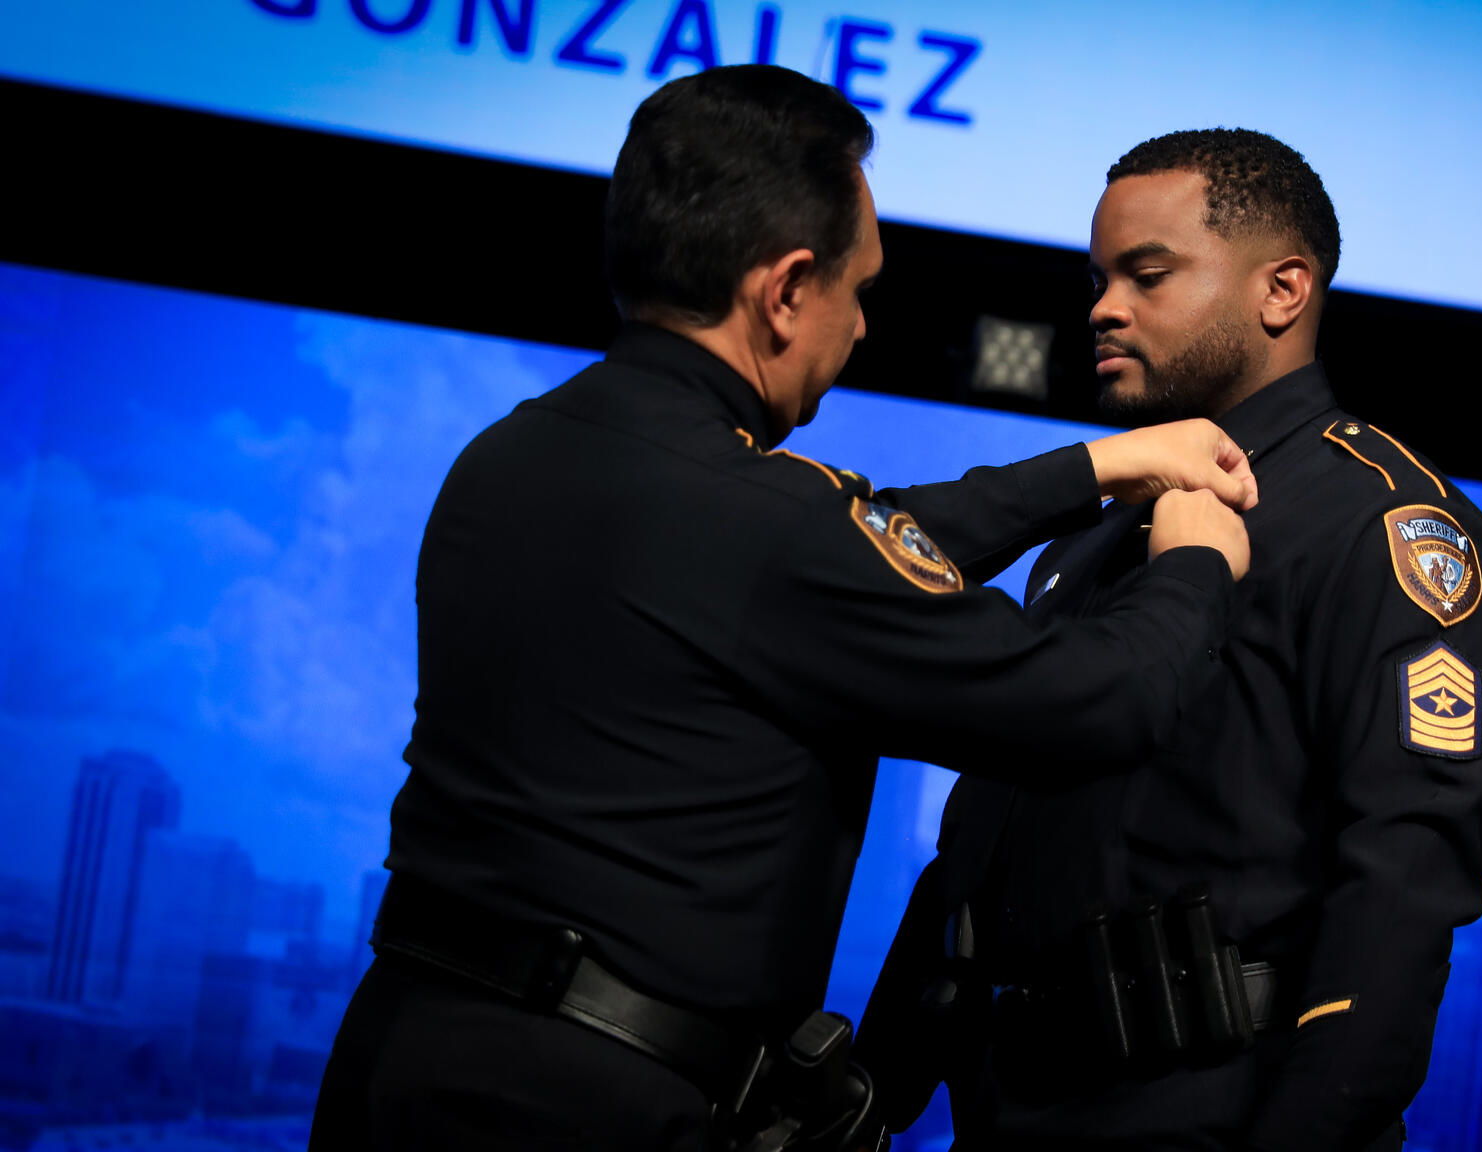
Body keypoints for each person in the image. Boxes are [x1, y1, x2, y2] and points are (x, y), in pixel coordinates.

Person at [311, 67, 1261, 1151]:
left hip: (399, 1061)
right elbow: (1095, 701)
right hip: (598, 1109)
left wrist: (1092, 466)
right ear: (784, 290)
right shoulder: (769, 529)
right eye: (859, 290)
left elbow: (840, 552)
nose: (859, 329)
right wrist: (1192, 563)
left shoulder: (508, 457)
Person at [858, 130, 1482, 1152]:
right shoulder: (1100, 520)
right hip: (1005, 1103)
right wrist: (874, 1085)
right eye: (1098, 277)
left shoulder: (1378, 528)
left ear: (1282, 290)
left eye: (1147, 274)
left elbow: (1402, 882)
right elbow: (985, 831)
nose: (1103, 307)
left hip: (1203, 1113)